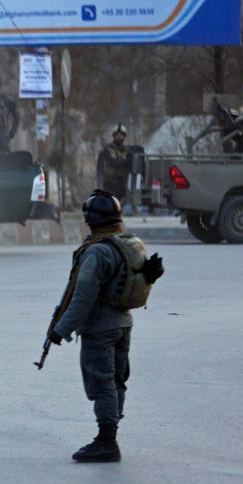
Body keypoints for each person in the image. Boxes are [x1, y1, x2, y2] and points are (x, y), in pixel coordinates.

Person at [46, 191, 142, 463]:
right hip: (123, 324)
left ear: (90, 220)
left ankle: (107, 442)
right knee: (115, 381)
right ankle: (109, 433)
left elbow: (82, 298)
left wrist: (60, 330)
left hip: (100, 329)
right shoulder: (124, 244)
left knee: (102, 384)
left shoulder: (97, 251)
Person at [96, 124, 131, 200]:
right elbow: (112, 162)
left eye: (122, 135)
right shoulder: (109, 148)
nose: (120, 137)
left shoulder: (127, 150)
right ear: (114, 136)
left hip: (122, 183)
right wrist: (126, 162)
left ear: (124, 137)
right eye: (118, 135)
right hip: (110, 182)